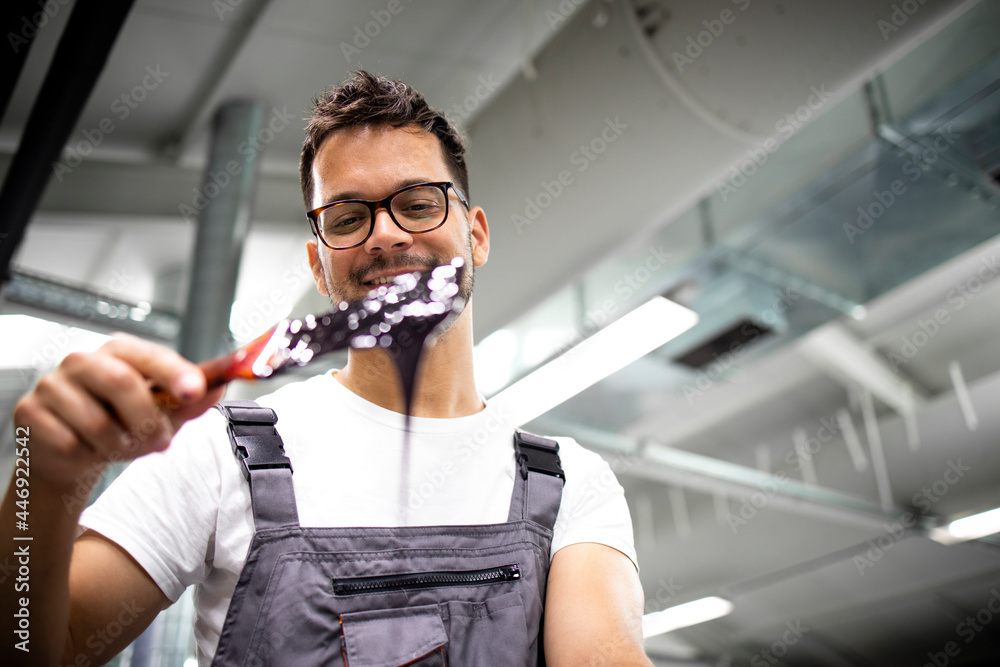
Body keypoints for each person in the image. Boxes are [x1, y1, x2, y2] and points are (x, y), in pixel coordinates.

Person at [2, 71, 651, 666]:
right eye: (348, 217)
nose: (386, 234)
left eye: (418, 203)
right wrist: (47, 481)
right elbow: (32, 649)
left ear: (475, 233)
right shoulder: (217, 451)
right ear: (318, 265)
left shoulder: (570, 483)